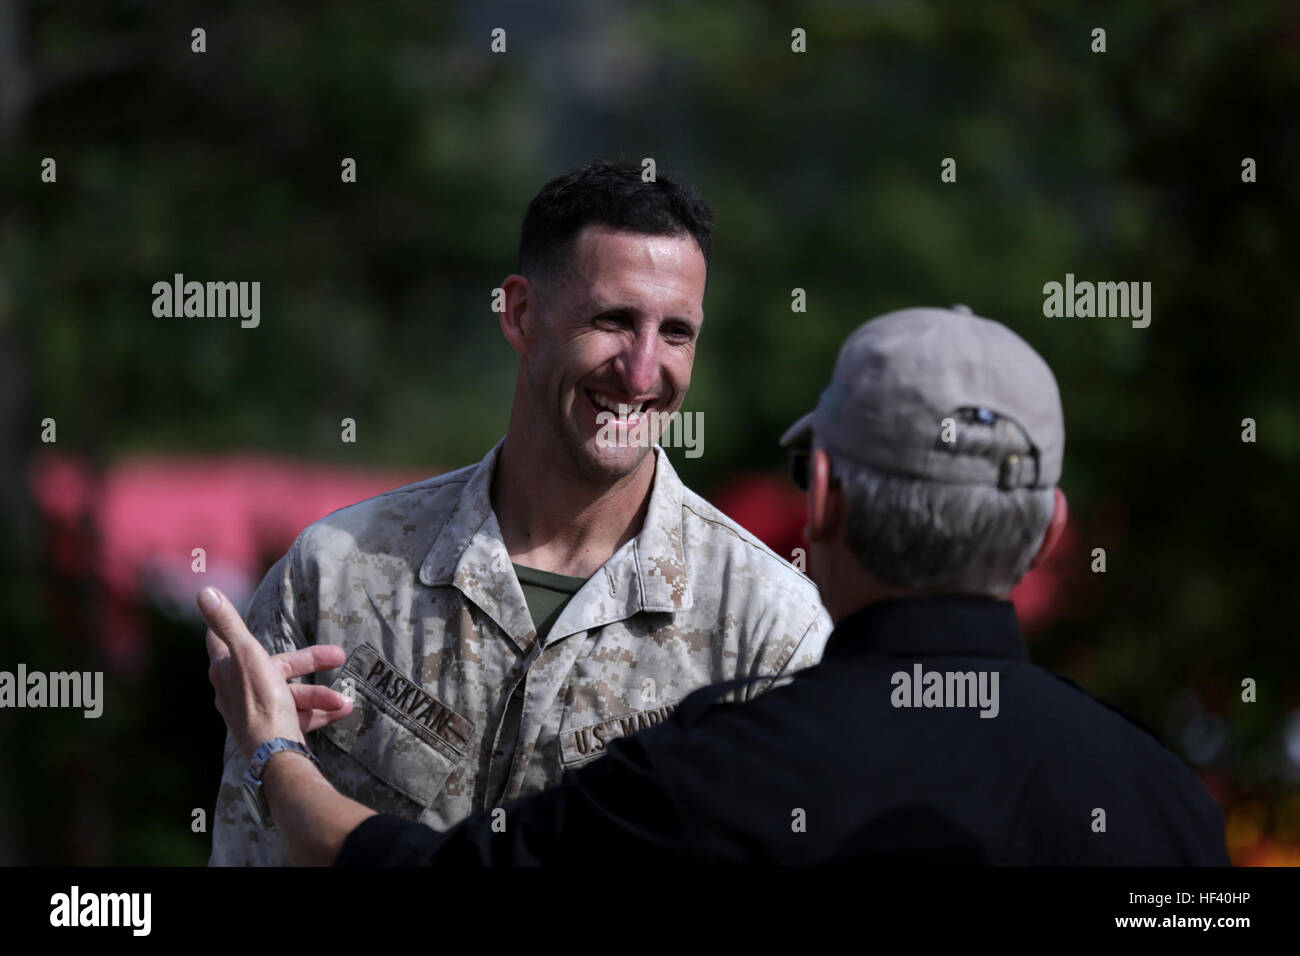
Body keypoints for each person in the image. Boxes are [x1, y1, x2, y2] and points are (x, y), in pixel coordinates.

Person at [203, 304, 1230, 866]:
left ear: (819, 493)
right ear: (1051, 531)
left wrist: (278, 751)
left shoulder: (724, 766)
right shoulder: (1161, 803)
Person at [207, 160, 832, 865]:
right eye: (614, 320)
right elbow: (250, 850)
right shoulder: (335, 571)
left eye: (677, 332)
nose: (641, 370)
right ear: (521, 314)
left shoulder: (770, 631)